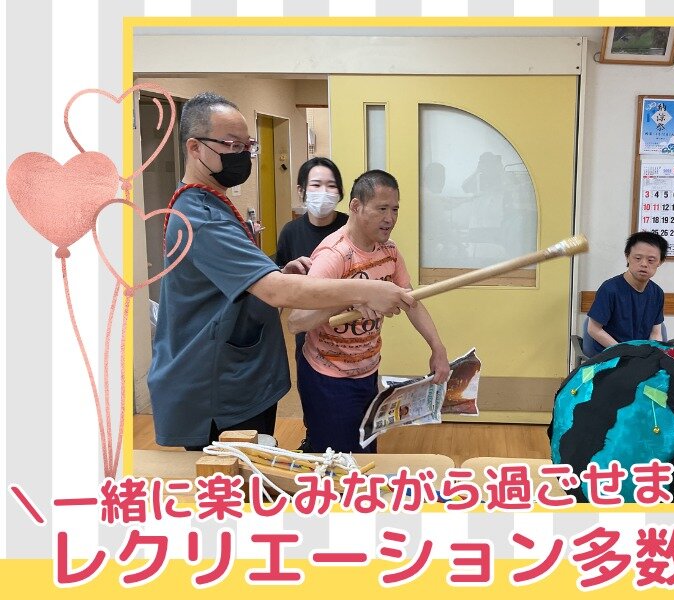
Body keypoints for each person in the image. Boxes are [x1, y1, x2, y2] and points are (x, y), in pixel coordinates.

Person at [148, 93, 415, 450]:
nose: (243, 155)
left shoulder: (214, 203)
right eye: (232, 145)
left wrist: (276, 271)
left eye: (248, 146)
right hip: (219, 385)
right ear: (195, 148)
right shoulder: (201, 217)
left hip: (248, 374)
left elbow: (244, 281)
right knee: (237, 474)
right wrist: (366, 290)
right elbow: (278, 295)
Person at [287, 170, 450, 453]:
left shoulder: (389, 252)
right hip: (328, 378)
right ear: (356, 206)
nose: (390, 218)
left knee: (364, 453)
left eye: (395, 209)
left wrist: (437, 347)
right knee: (337, 462)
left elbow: (411, 301)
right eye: (382, 209)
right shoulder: (334, 255)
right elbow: (296, 321)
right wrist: (353, 295)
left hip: (367, 371)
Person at [275, 157, 349, 451]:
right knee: (313, 396)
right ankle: (314, 442)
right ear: (301, 190)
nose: (324, 192)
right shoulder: (291, 232)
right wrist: (286, 272)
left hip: (350, 332)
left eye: (331, 186)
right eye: (316, 185)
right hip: (308, 333)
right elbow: (278, 285)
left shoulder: (350, 227)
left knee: (351, 400)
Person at [586, 231, 668, 356]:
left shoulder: (657, 293)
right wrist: (625, 352)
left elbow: (655, 333)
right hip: (611, 355)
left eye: (651, 260)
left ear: (660, 262)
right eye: (638, 258)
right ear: (627, 257)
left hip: (641, 357)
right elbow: (593, 329)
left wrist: (653, 354)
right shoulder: (610, 289)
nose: (644, 264)